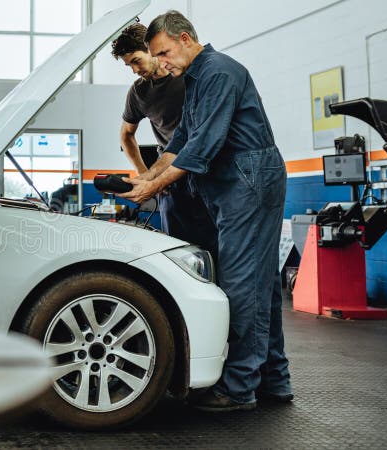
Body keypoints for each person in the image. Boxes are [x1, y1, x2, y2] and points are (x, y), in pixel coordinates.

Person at [123, 11, 292, 411]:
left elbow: (204, 146)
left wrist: (155, 184)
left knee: (239, 283)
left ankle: (238, 388)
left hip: (248, 178)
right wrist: (147, 178)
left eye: (163, 52)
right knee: (261, 285)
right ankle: (274, 380)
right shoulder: (194, 80)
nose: (160, 62)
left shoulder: (218, 73)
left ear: (185, 39)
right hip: (235, 182)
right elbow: (180, 141)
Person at [111, 23, 216, 255]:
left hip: (203, 172)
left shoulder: (188, 76)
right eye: (129, 65)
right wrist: (143, 172)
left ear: (151, 49)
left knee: (214, 247)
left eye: (136, 61)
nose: (135, 70)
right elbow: (126, 134)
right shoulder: (139, 92)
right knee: (177, 250)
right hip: (170, 181)